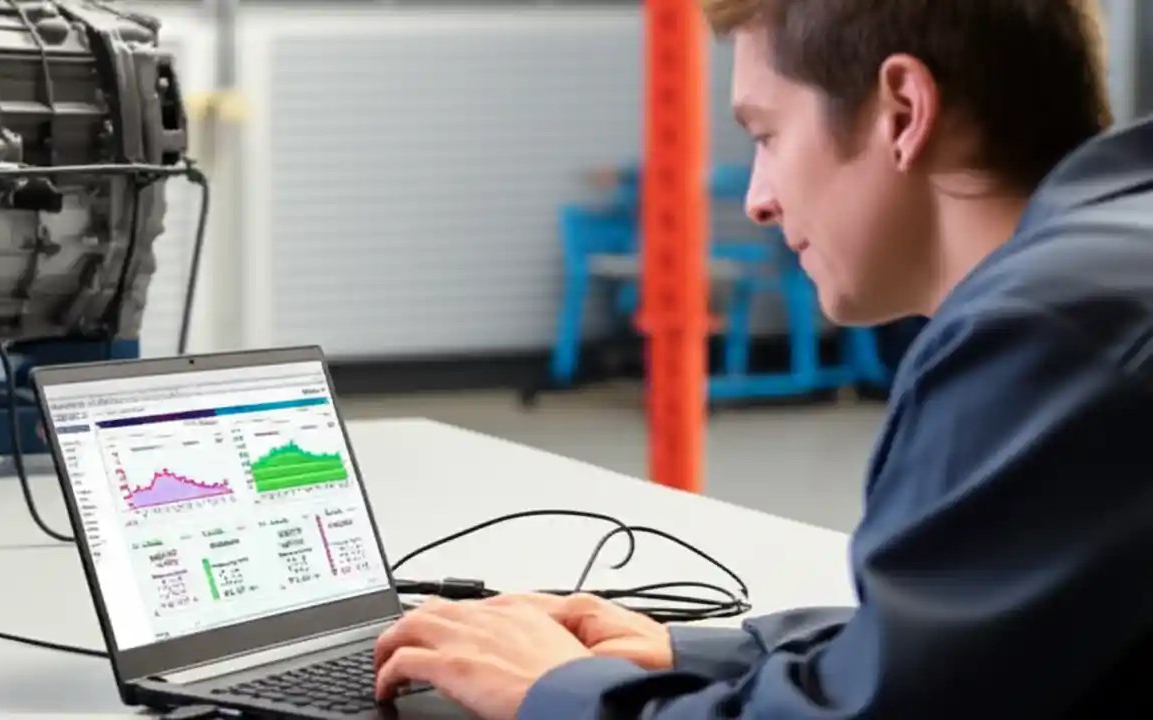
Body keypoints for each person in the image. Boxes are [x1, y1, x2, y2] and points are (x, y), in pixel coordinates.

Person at [373, 1, 1153, 718]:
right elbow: (985, 643)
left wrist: (552, 689)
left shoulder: (1049, 328)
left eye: (766, 135)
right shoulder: (1115, 256)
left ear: (904, 111)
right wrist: (695, 651)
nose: (759, 199)